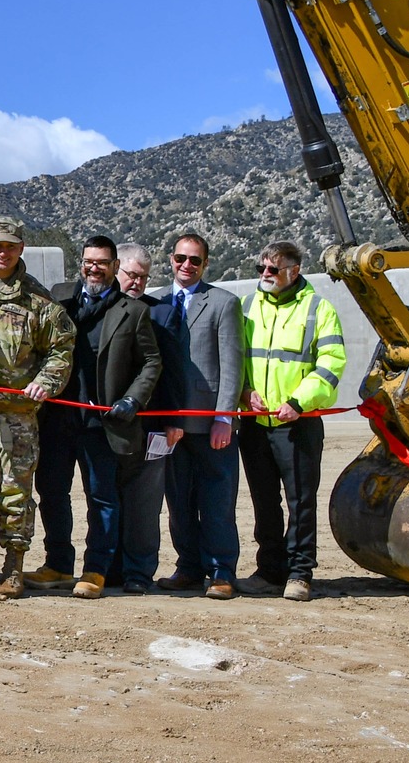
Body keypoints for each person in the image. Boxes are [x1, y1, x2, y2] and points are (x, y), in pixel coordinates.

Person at [35, 235, 163, 598]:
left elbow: (152, 362)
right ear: (82, 263)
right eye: (89, 261)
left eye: (102, 263)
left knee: (102, 498)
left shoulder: (133, 311)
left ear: (114, 268)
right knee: (52, 492)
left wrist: (132, 400)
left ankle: (96, 570)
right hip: (58, 419)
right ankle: (58, 564)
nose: (94, 268)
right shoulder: (59, 297)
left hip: (103, 424)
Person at [0, 217, 73, 600]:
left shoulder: (38, 300)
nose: (1, 252)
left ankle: (13, 568)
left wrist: (47, 382)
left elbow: (61, 350)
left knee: (14, 494)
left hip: (16, 416)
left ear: (20, 247)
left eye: (9, 245)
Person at [236, 241, 345, 603]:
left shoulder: (319, 309)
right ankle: (269, 570)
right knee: (264, 501)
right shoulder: (248, 306)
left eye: (272, 269)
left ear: (294, 271)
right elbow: (238, 359)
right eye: (261, 268)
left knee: (301, 502)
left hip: (297, 424)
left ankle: (300, 573)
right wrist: (245, 391)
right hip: (255, 424)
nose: (264, 275)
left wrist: (299, 402)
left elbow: (331, 364)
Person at [148, 232, 243, 599]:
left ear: (205, 264)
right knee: (178, 501)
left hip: (209, 424)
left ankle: (221, 571)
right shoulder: (156, 304)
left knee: (217, 500)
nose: (186, 265)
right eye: (180, 258)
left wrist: (224, 417)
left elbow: (231, 365)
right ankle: (188, 567)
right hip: (170, 424)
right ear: (170, 259)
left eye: (195, 260)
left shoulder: (223, 303)